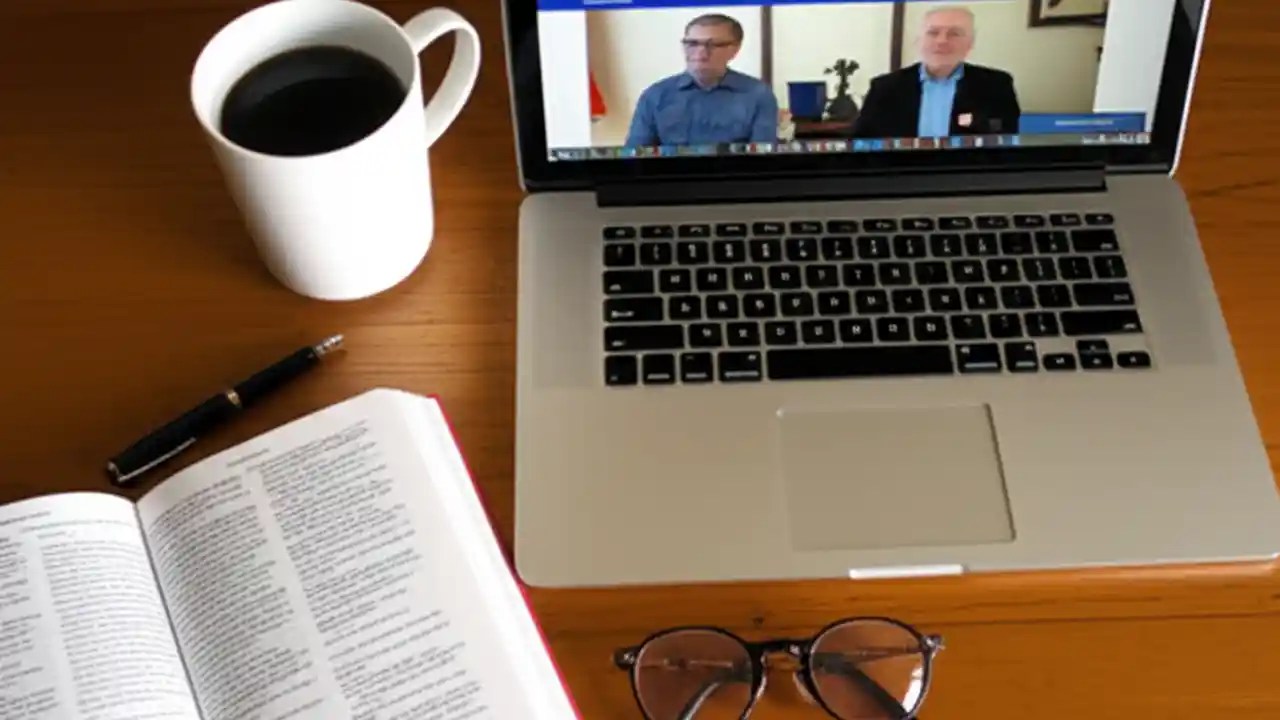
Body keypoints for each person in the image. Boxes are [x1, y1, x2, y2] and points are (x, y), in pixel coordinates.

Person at [853, 6, 1020, 139]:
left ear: (970, 43)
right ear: (919, 40)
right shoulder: (884, 87)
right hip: (900, 176)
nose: (941, 41)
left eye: (954, 33)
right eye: (933, 33)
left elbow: (1005, 142)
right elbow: (862, 143)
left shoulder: (997, 85)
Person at [624, 14, 778, 147]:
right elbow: (635, 157)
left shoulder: (758, 94)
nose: (701, 52)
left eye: (712, 44)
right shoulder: (655, 95)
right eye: (692, 43)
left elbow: (762, 158)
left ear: (735, 49)